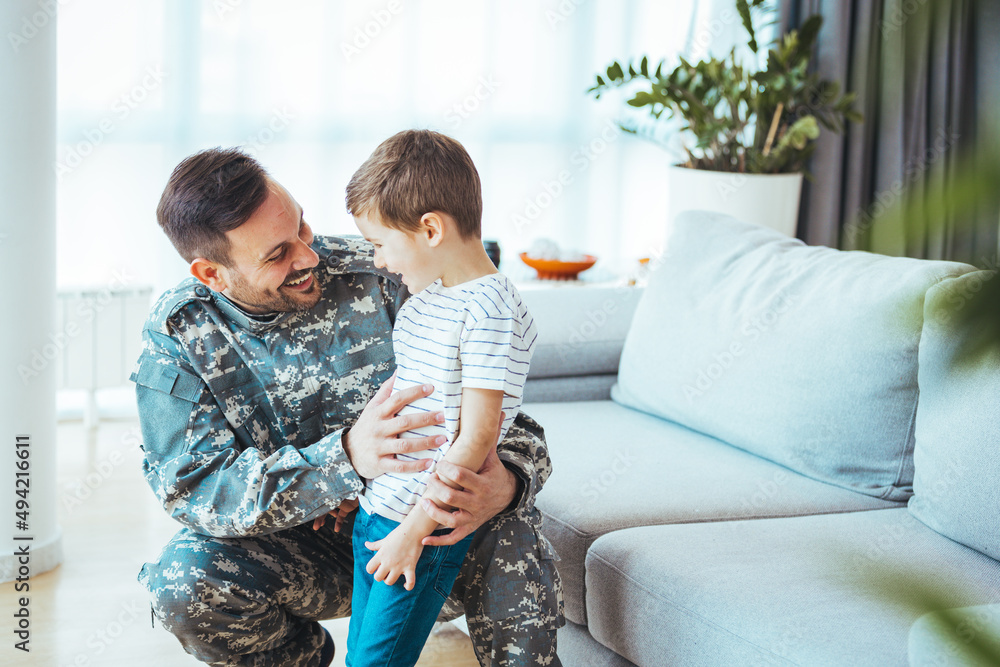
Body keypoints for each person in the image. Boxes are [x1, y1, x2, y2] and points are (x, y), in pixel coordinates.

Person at [131, 146, 563, 667]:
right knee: (185, 580)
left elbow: (509, 424)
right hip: (314, 552)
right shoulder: (181, 334)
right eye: (277, 254)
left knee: (511, 521)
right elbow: (193, 489)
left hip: (435, 529)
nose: (308, 257)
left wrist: (509, 482)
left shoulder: (390, 273)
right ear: (212, 274)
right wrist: (343, 462)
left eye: (303, 229)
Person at [335, 130, 537, 665]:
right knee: (360, 655)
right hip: (378, 512)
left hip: (419, 529)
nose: (378, 261)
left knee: (375, 661)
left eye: (380, 243)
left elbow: (477, 438)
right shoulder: (430, 299)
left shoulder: (491, 310)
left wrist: (415, 530)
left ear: (429, 229)